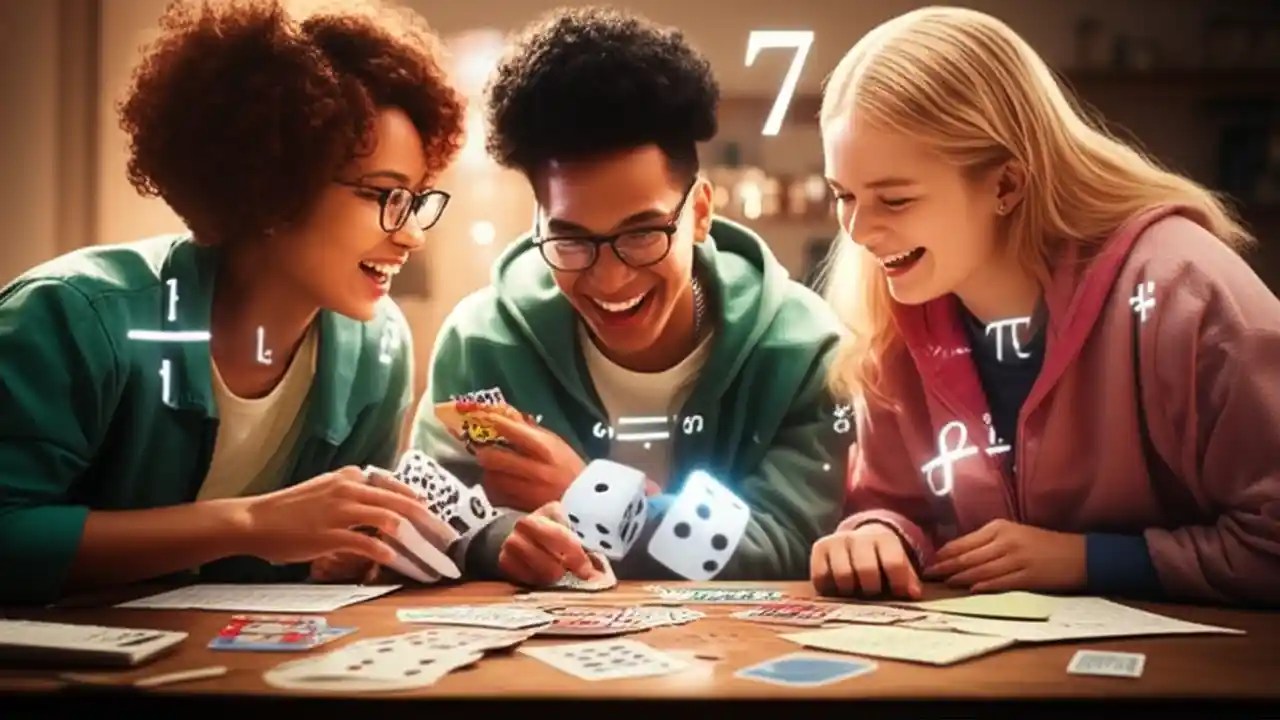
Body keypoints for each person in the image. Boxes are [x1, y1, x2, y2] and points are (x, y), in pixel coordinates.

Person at [809, 6, 1280, 606]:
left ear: (1006, 185)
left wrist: (1091, 560)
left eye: (895, 200)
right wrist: (877, 534)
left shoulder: (1184, 291)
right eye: (842, 195)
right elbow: (898, 506)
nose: (857, 231)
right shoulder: (896, 300)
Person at [0, 0, 466, 605]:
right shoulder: (73, 318)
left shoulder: (376, 349)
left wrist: (333, 559)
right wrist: (248, 525)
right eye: (384, 195)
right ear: (276, 184)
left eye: (417, 199)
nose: (411, 233)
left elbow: (308, 569)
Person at [411, 6, 850, 587]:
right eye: (570, 241)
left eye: (642, 234)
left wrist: (588, 492)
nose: (610, 279)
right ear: (538, 227)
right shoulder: (480, 341)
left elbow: (791, 542)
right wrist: (499, 542)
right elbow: (428, 510)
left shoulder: (804, 349)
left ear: (698, 214)